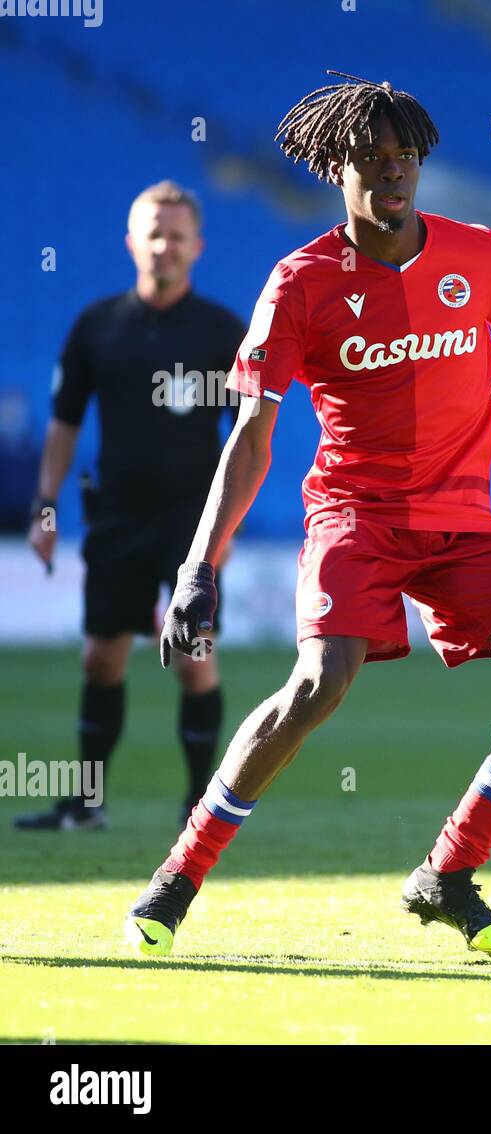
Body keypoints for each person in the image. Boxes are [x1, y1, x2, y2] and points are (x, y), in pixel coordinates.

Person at [123, 73, 491, 960]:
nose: (394, 176)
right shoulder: (301, 284)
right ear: (337, 167)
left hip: (461, 522)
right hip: (354, 519)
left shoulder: (479, 256)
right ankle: (178, 876)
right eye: (374, 160)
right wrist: (199, 568)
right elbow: (252, 433)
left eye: (406, 160)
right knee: (319, 684)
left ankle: (449, 872)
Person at [19, 181, 243, 832]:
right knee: (101, 656)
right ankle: (86, 805)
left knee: (193, 655)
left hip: (193, 527)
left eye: (175, 235)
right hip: (117, 515)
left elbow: (248, 435)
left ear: (196, 247)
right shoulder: (97, 326)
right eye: (152, 232)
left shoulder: (221, 331)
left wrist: (226, 528)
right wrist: (45, 505)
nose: (162, 246)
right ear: (130, 242)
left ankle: (200, 807)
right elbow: (63, 423)